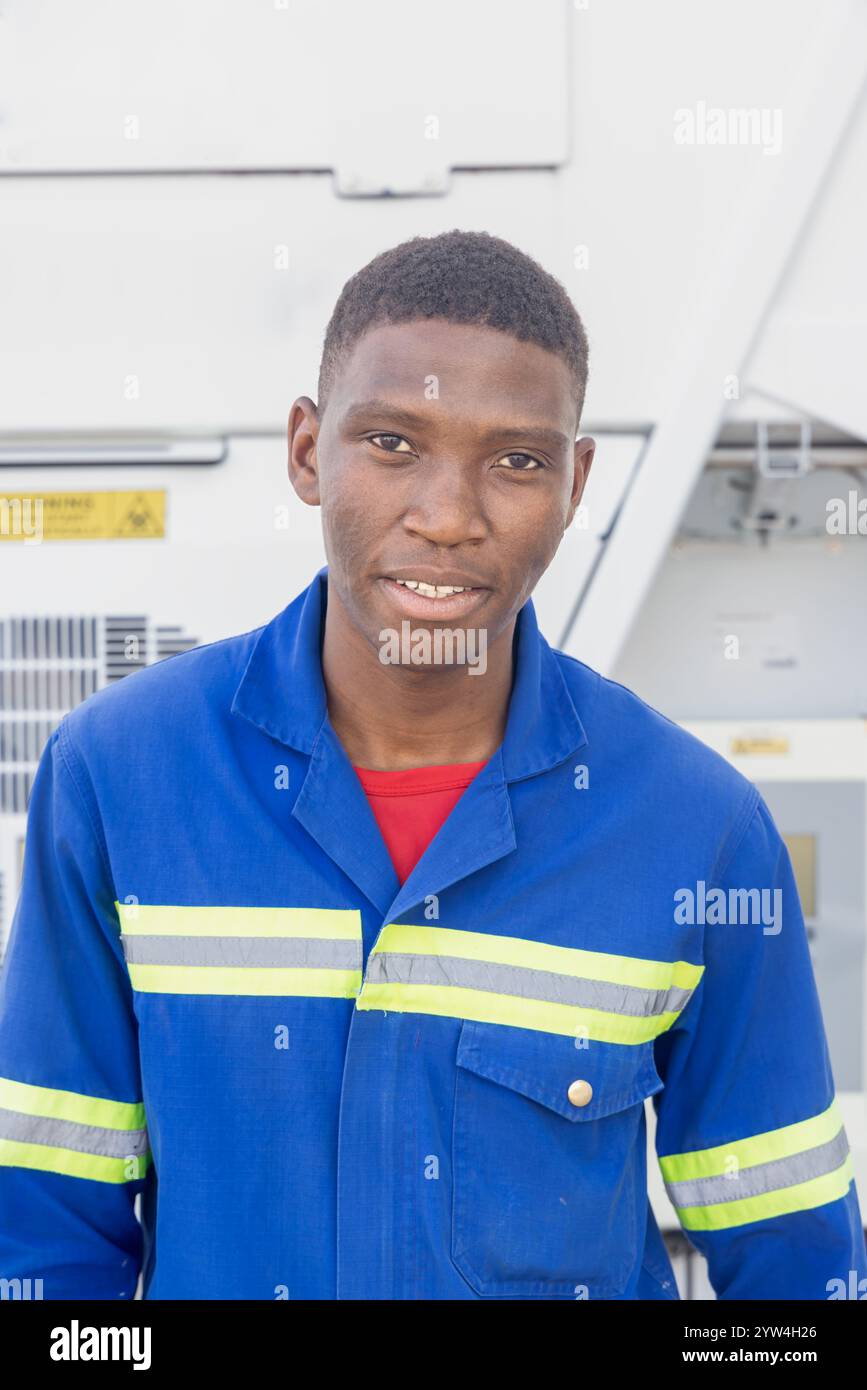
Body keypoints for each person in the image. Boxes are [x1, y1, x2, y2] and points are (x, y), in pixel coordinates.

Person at [0, 230, 864, 1300]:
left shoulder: (700, 830)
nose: (448, 517)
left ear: (574, 482)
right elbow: (44, 1241)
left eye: (516, 460)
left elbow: (796, 1281)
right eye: (393, 442)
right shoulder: (119, 778)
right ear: (307, 451)